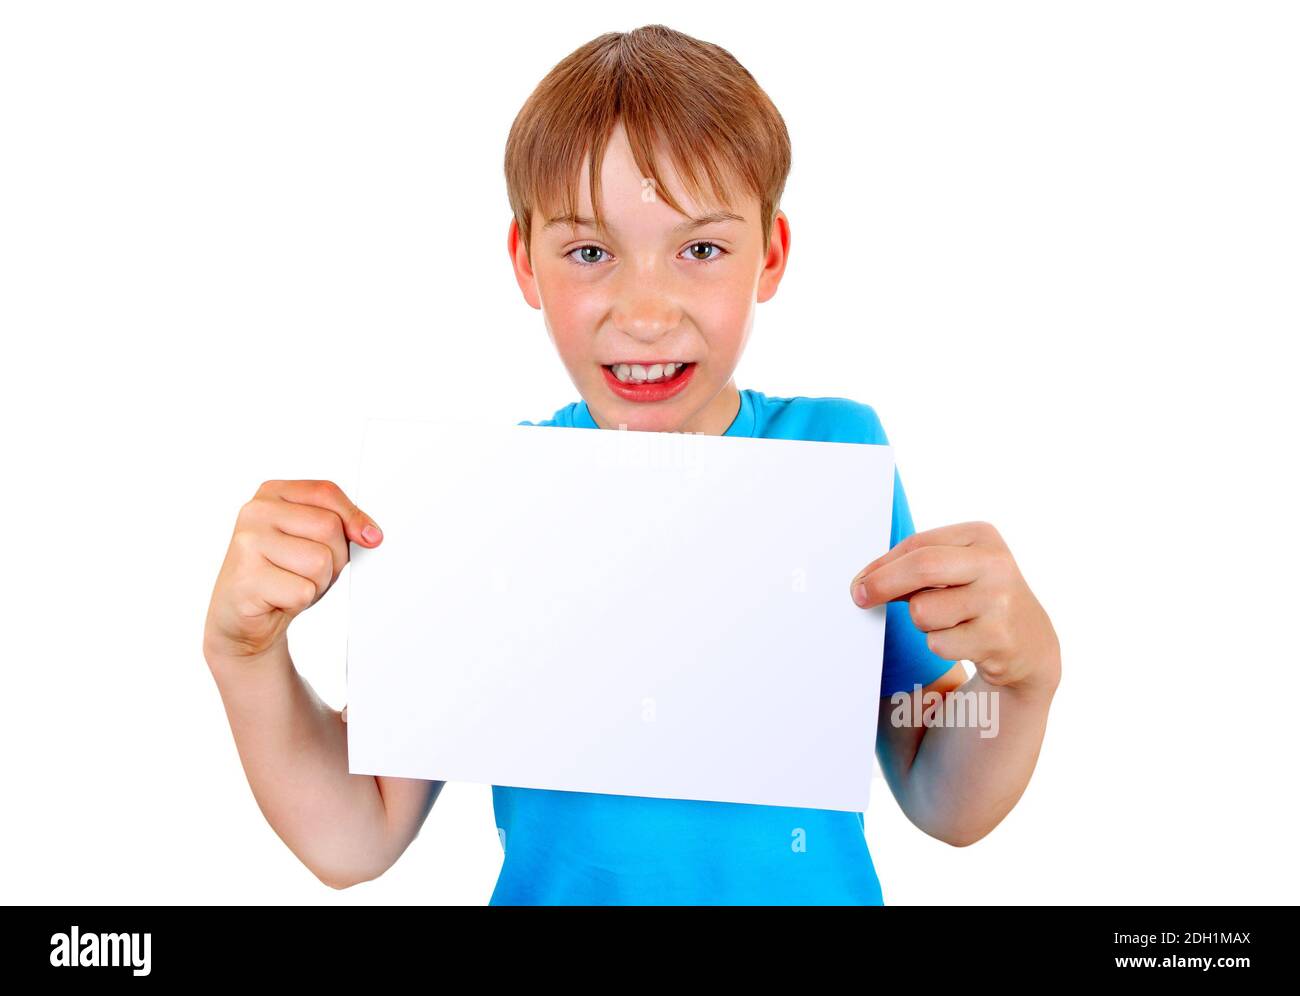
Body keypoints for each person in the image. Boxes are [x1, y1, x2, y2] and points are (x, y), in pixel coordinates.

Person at [203, 23, 1061, 904]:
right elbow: (356, 833)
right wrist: (246, 657)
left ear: (768, 254)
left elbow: (935, 781)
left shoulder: (836, 456)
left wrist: (1022, 680)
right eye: (589, 252)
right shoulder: (490, 503)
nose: (645, 312)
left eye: (700, 249)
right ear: (524, 262)